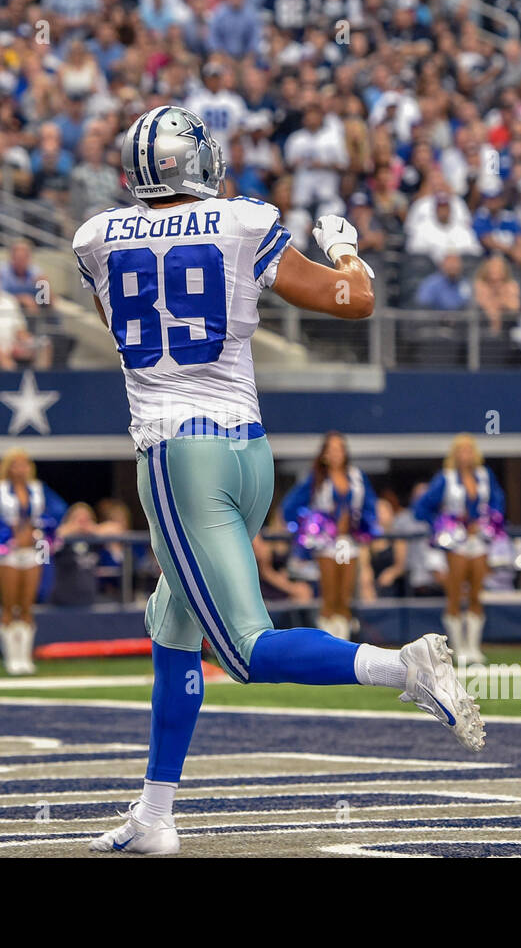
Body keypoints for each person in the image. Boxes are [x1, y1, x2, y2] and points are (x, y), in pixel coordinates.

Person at [71, 106, 482, 855]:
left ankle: (402, 666)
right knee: (172, 626)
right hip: (248, 456)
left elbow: (127, 327)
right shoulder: (243, 221)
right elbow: (353, 301)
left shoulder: (95, 238)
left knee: (245, 650)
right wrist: (347, 251)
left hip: (175, 456)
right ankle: (155, 814)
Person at [0, 448, 66, 675]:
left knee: (28, 605)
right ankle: (11, 658)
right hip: (8, 552)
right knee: (9, 604)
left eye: (24, 464)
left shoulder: (38, 489)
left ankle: (25, 658)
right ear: (7, 468)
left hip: (33, 551)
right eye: (15, 464)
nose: (21, 468)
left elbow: (60, 510)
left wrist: (40, 527)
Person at [413, 433, 506, 665]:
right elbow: (422, 507)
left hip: (479, 540)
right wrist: (444, 524)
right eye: (461, 450)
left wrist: (487, 523)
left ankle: (474, 646)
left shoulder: (486, 476)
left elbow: (498, 503)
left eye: (469, 450)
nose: (465, 455)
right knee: (454, 594)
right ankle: (457, 646)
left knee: (476, 593)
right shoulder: (446, 477)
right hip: (455, 543)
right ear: (454, 454)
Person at [281, 431, 378, 641]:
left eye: (340, 448)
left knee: (345, 596)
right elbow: (290, 506)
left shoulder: (357, 477)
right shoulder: (316, 478)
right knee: (330, 595)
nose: (336, 453)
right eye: (331, 449)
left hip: (347, 543)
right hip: (325, 544)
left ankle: (343, 642)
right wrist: (310, 526)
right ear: (324, 454)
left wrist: (364, 527)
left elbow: (370, 506)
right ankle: (327, 642)